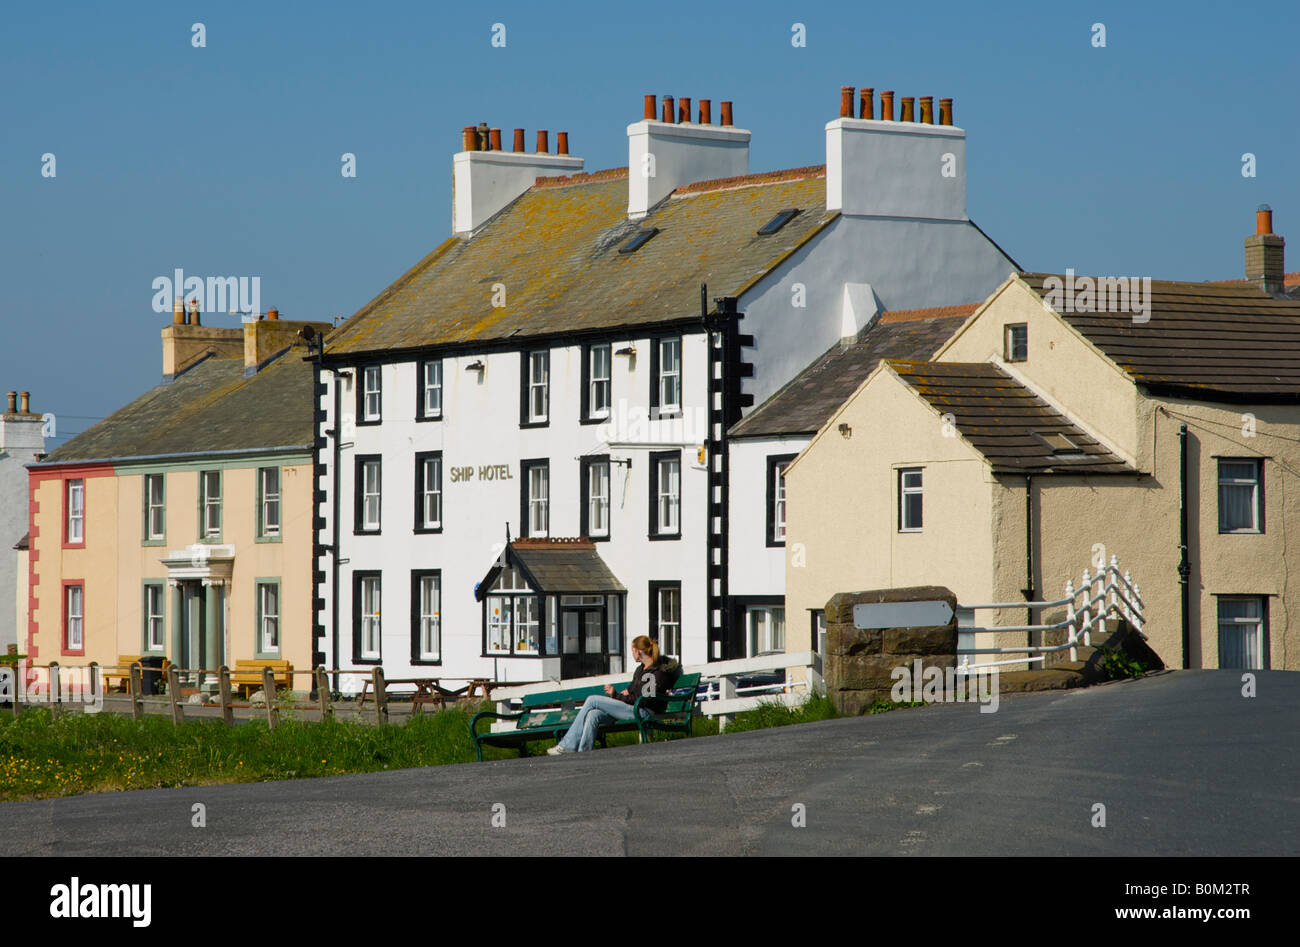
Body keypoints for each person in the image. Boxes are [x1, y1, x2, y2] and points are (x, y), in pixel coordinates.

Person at [547, 636, 680, 754]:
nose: (632, 654)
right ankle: (583, 753)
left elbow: (644, 700)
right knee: (593, 714)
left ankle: (566, 745)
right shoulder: (641, 670)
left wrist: (615, 695)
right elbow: (633, 691)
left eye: (632, 650)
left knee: (592, 700)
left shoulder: (654, 674)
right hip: (632, 708)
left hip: (642, 711)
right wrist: (624, 694)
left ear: (638, 651)